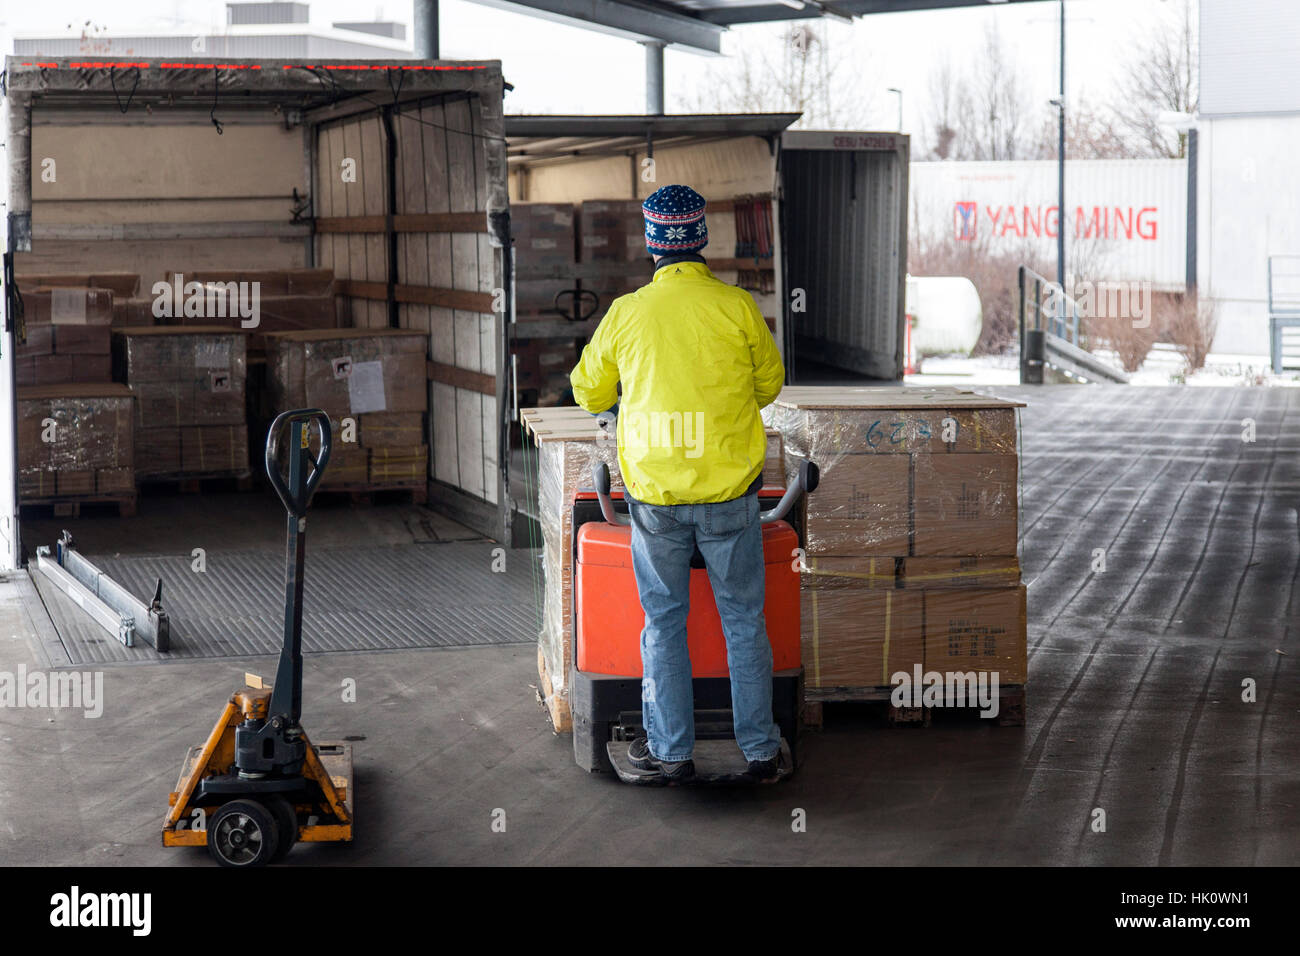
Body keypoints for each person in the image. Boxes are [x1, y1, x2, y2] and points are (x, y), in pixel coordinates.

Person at [569, 184, 786, 782]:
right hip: (730, 498)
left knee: (662, 622)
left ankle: (670, 752)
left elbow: (588, 390)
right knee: (743, 621)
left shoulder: (628, 313)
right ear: (701, 240)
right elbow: (769, 385)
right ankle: (761, 751)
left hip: (656, 502)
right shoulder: (737, 307)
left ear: (652, 242)